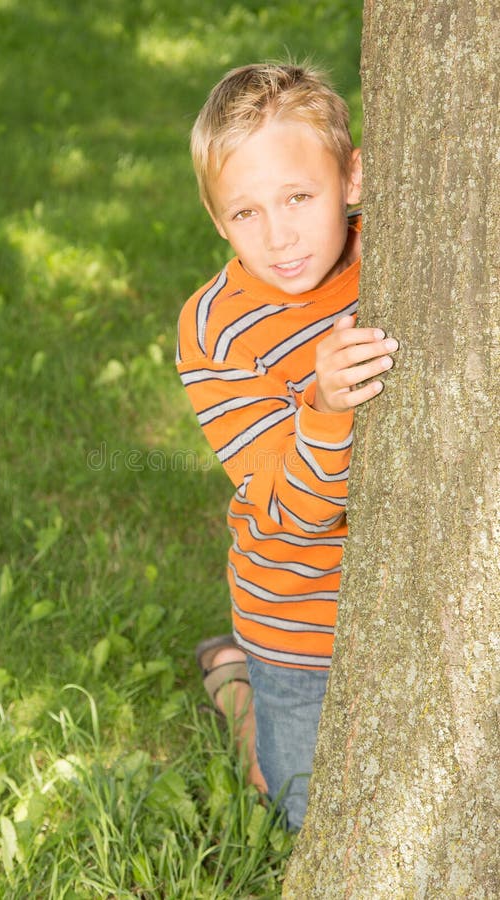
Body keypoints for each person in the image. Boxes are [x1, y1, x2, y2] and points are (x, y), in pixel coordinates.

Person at [176, 63, 398, 830]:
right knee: (306, 816)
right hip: (297, 619)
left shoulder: (401, 258)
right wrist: (326, 404)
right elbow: (295, 510)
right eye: (246, 213)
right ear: (216, 220)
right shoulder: (215, 328)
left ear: (353, 176)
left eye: (299, 197)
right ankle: (239, 688)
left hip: (406, 607)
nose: (279, 236)